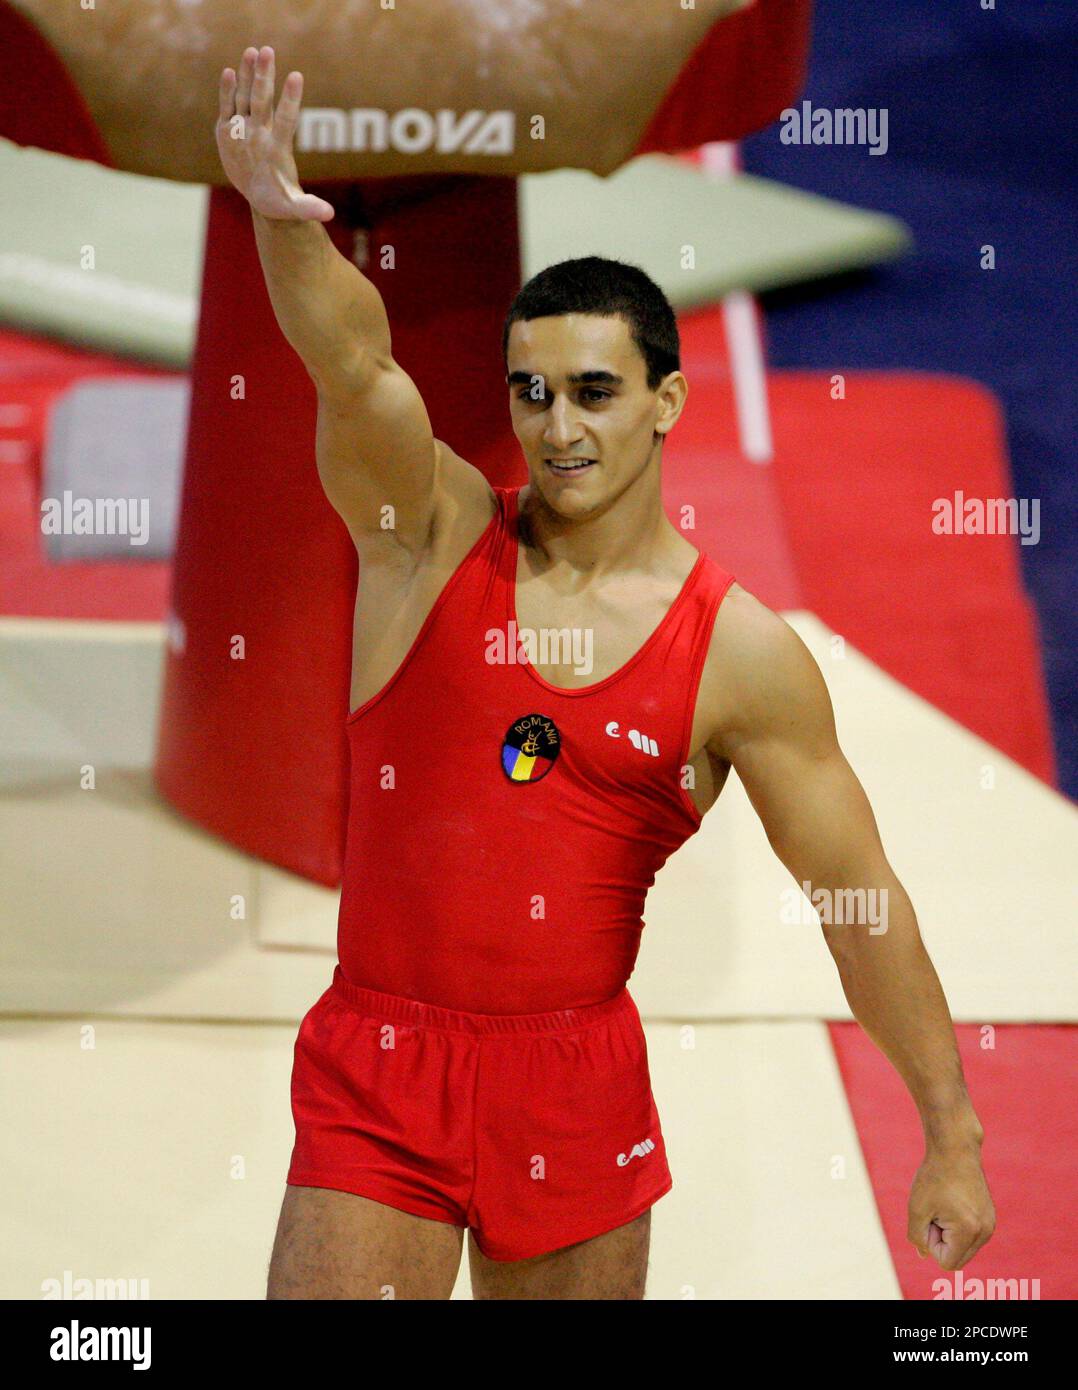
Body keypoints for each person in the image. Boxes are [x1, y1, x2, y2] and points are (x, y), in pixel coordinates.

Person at [216, 46, 995, 1300]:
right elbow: (356, 369)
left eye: (592, 392)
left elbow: (857, 899)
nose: (557, 426)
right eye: (530, 392)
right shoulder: (432, 538)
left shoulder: (739, 654)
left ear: (668, 401)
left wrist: (948, 1132)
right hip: (383, 1069)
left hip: (573, 1090)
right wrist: (280, 223)